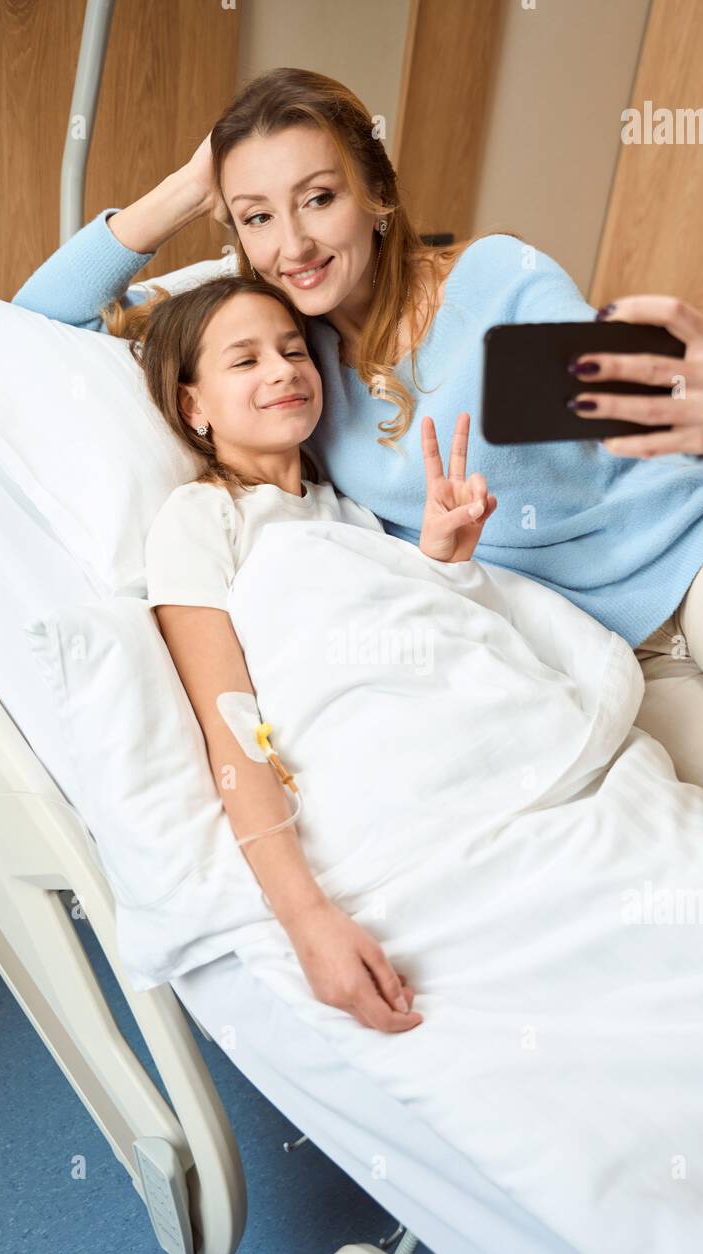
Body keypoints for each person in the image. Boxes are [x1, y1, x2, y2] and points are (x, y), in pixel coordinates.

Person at [12, 67, 703, 838]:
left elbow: (641, 395)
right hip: (609, 653)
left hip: (702, 564)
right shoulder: (285, 352)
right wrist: (193, 184)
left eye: (318, 199)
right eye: (256, 216)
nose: (292, 244)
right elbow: (40, 319)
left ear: (379, 196)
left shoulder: (494, 278)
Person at [132, 270, 495, 1033]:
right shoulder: (201, 519)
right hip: (363, 787)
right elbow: (228, 722)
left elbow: (421, 649)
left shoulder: (350, 512)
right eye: (244, 360)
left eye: (293, 349)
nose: (283, 370)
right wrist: (305, 917)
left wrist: (440, 564)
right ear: (192, 405)